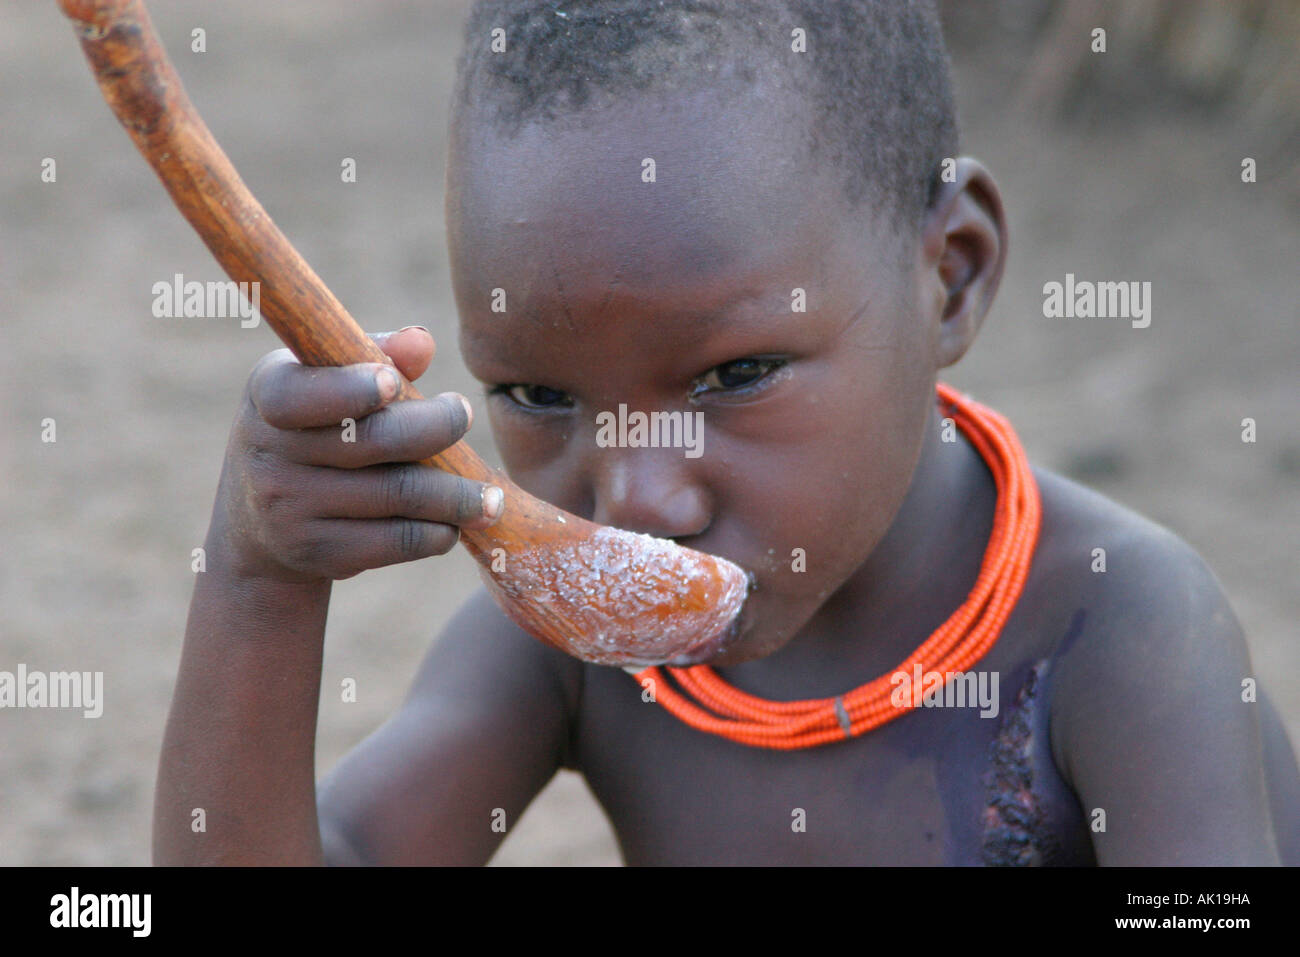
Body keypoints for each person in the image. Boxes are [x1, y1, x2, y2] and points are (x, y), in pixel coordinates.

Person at [154, 0, 1299, 865]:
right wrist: (258, 586)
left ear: (949, 279)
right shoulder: (579, 648)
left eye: (736, 374)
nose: (638, 500)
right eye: (540, 397)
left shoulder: (1119, 626)